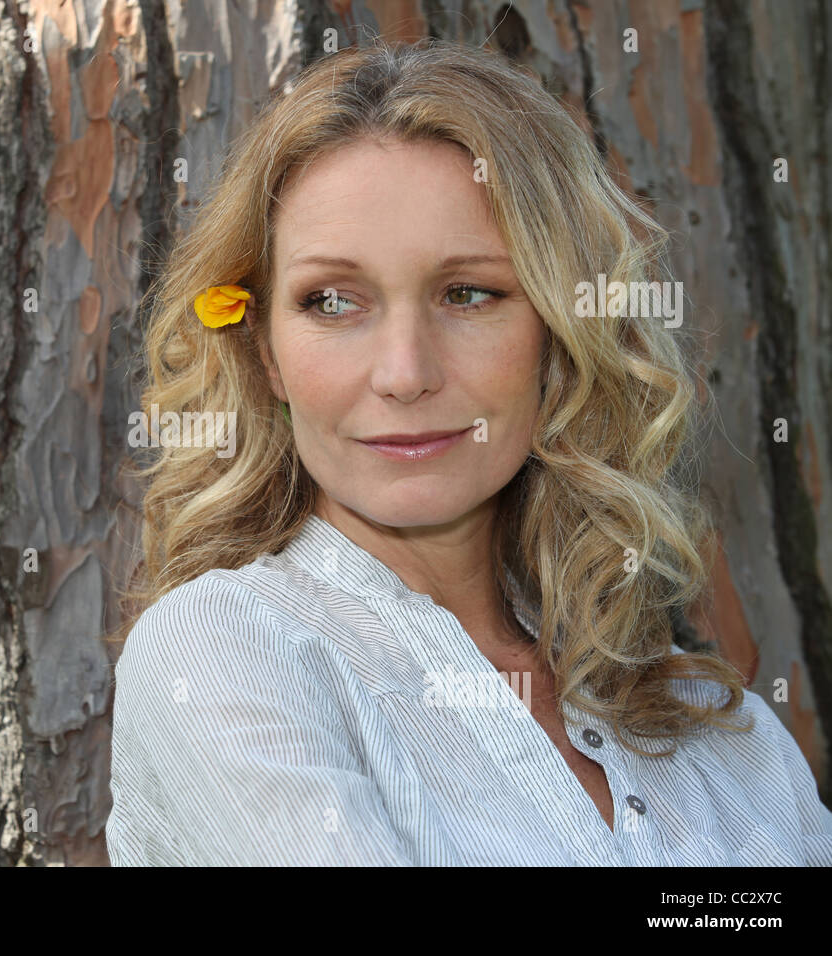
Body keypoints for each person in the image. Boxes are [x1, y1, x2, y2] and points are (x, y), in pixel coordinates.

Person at [104, 38, 832, 866]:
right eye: (333, 301)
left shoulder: (714, 720)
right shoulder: (224, 648)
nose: (405, 374)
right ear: (265, 350)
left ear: (560, 336)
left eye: (470, 293)